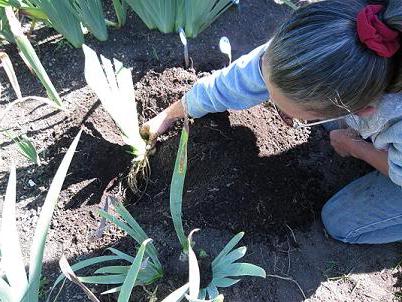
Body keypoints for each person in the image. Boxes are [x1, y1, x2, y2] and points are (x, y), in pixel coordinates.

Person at [141, 0, 402, 244]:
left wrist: (356, 147)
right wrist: (169, 114)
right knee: (331, 125)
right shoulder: (329, 38)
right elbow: (239, 80)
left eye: (293, 112)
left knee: (341, 223)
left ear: (362, 109)